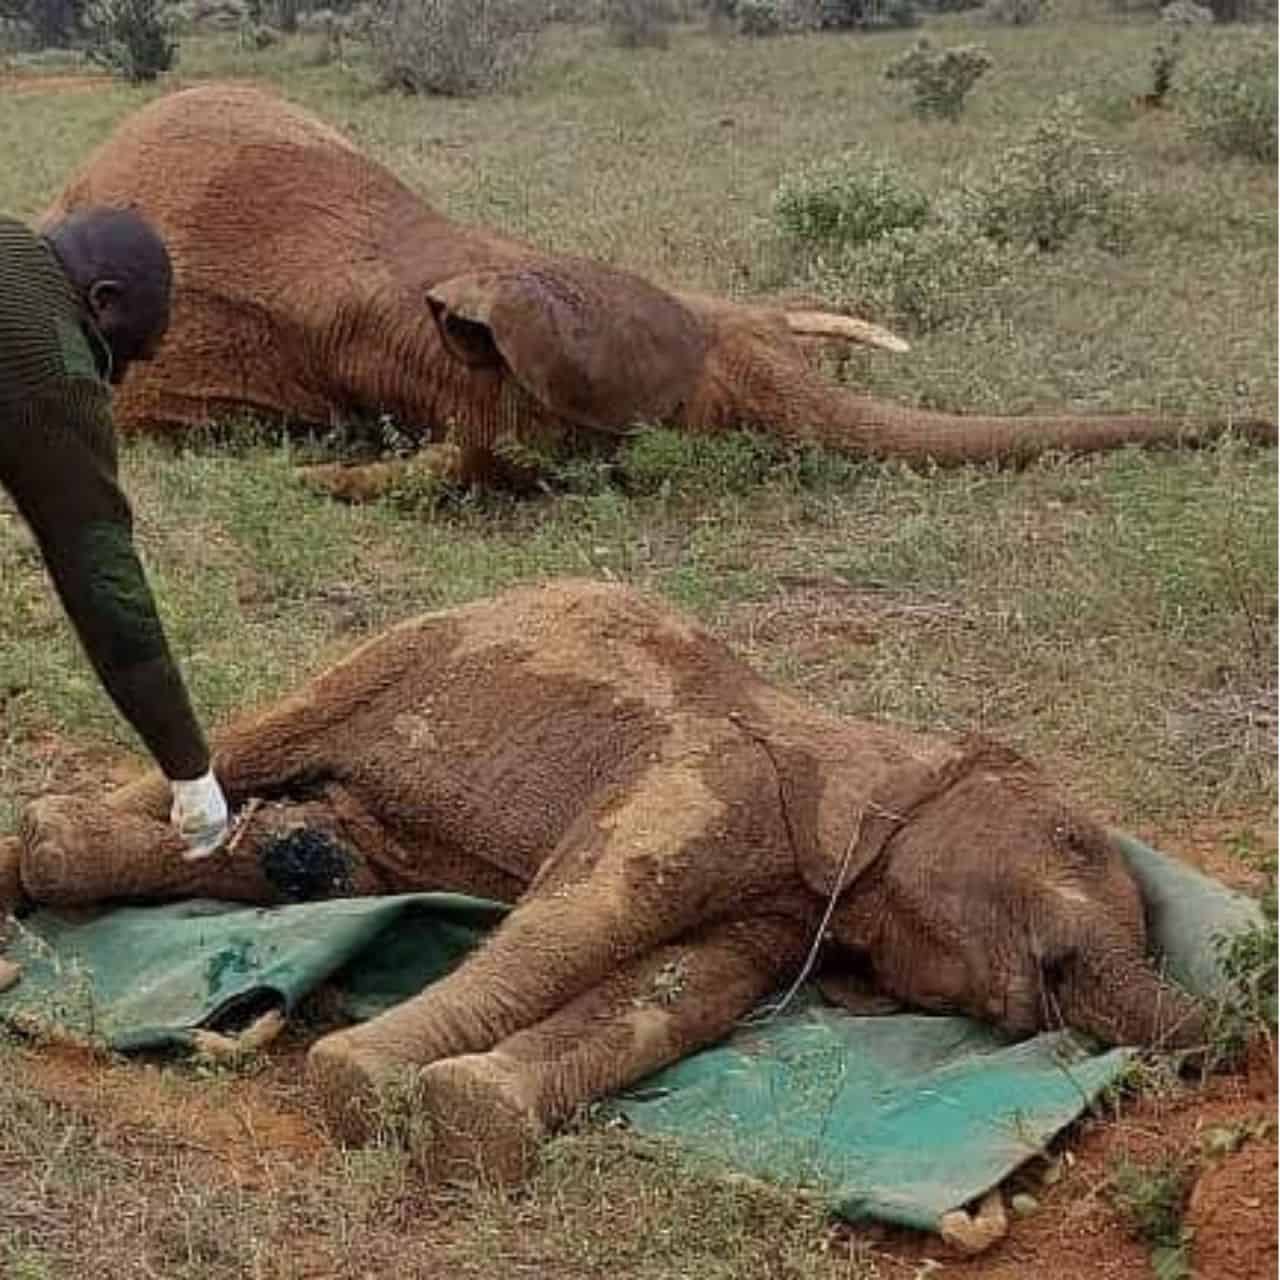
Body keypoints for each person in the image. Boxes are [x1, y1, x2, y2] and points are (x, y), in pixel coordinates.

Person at [0, 206, 228, 860]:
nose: (118, 381)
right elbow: (103, 582)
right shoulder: (55, 365)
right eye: (122, 354)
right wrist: (190, 772)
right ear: (103, 302)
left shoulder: (11, 239)